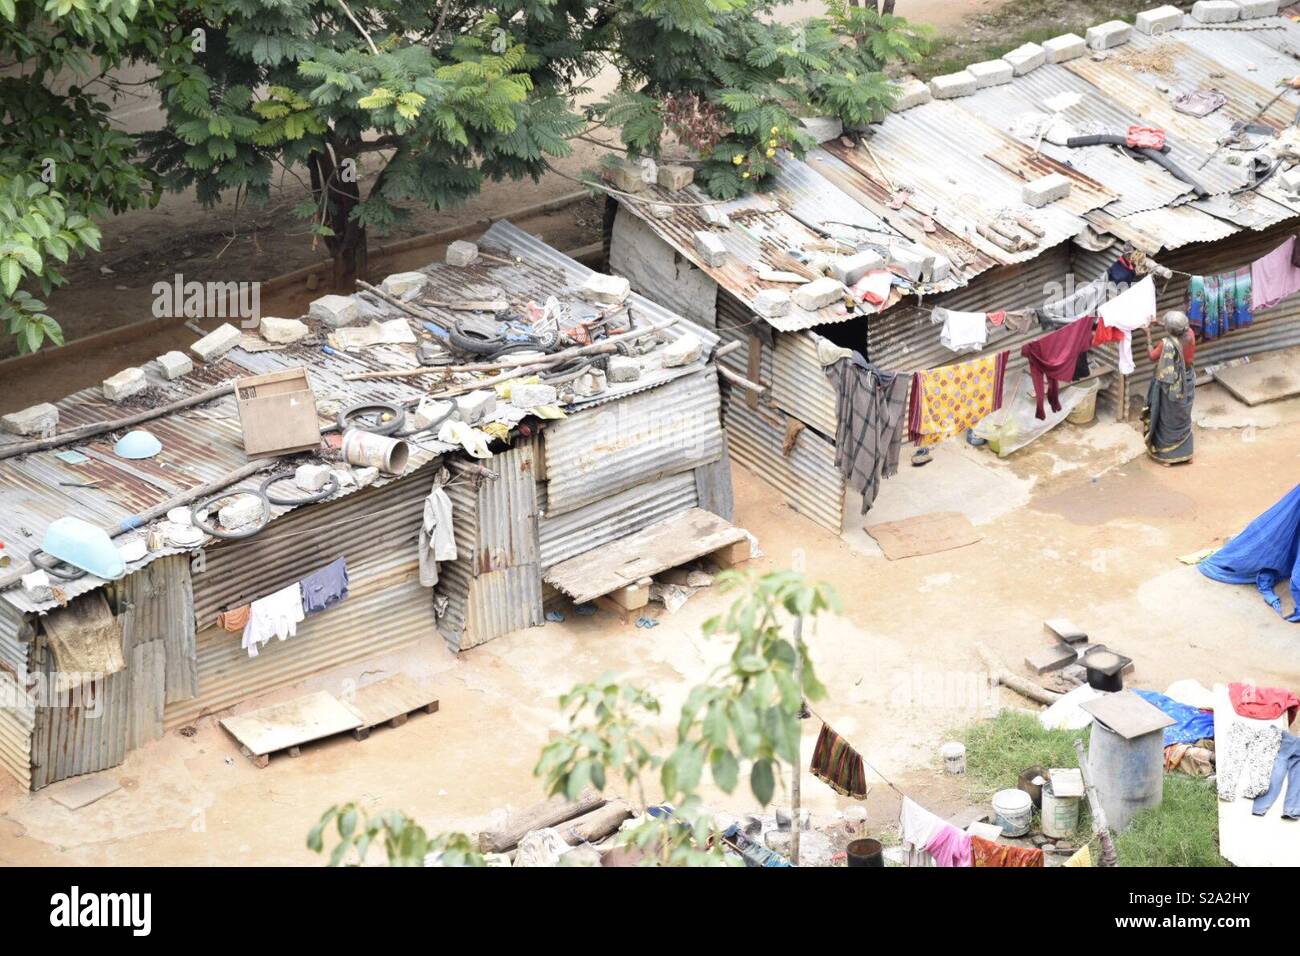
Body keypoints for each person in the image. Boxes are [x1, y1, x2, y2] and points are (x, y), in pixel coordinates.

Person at [1141, 310, 1196, 465]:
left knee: (1167, 418)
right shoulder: (1190, 334)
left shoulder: (1166, 344)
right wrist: (1159, 323)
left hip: (1171, 384)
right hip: (1187, 379)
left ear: (1170, 330)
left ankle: (1168, 456)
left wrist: (1148, 336)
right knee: (1182, 417)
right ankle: (1186, 454)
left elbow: (1152, 356)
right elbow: (1177, 330)